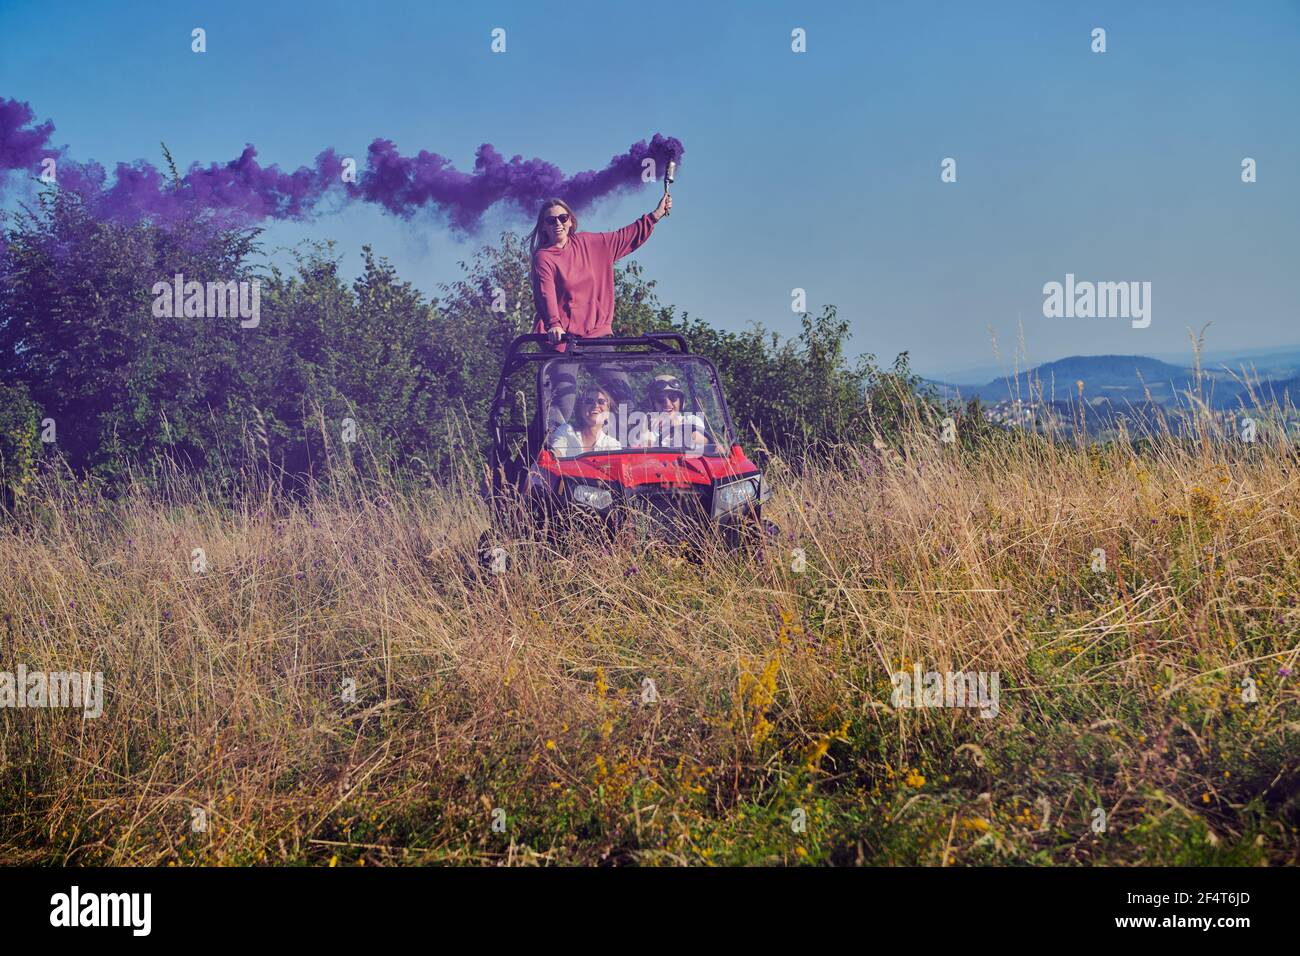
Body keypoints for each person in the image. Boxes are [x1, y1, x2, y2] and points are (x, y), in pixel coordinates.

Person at [527, 192, 673, 424]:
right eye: (551, 220)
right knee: (563, 400)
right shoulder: (544, 257)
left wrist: (655, 216)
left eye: (562, 218)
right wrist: (554, 323)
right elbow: (546, 292)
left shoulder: (590, 244)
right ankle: (541, 454)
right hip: (564, 340)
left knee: (624, 396)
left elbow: (624, 236)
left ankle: (631, 450)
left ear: (571, 221)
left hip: (597, 336)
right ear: (543, 227)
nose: (558, 224)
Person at [633, 375, 710, 449]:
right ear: (653, 403)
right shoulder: (649, 424)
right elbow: (645, 453)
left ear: (681, 401)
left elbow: (702, 442)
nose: (667, 404)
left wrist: (677, 428)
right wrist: (645, 428)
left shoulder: (691, 420)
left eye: (673, 398)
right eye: (661, 399)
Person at [547, 386, 623, 458]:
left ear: (608, 414)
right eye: (589, 401)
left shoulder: (613, 445)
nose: (595, 405)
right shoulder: (566, 431)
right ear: (580, 409)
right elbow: (555, 455)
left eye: (601, 402)